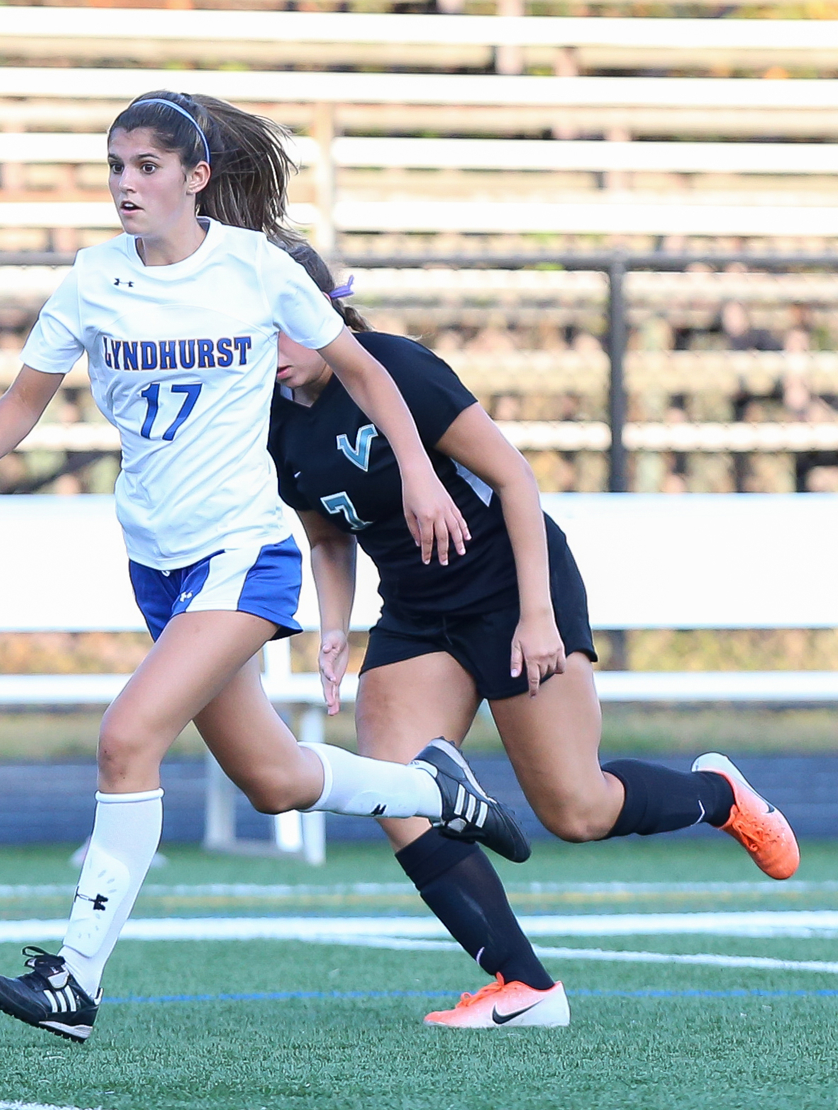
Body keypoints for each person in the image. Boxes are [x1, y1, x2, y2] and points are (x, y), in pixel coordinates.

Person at [0, 92, 530, 1044]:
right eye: (117, 167)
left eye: (147, 167)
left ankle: (75, 983)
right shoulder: (92, 279)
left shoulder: (254, 269)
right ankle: (437, 792)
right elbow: (26, 394)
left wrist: (418, 472)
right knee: (276, 779)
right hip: (157, 560)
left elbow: (370, 372)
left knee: (126, 737)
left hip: (242, 553)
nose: (127, 185)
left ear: (196, 177)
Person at [266, 243, 801, 1029]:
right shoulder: (273, 418)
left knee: (576, 810)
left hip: (513, 589)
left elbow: (515, 478)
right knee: (394, 790)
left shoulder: (397, 371)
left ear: (322, 314)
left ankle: (720, 796)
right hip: (418, 612)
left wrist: (539, 614)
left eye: (279, 327)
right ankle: (527, 987)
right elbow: (327, 538)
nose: (265, 350)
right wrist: (335, 630)